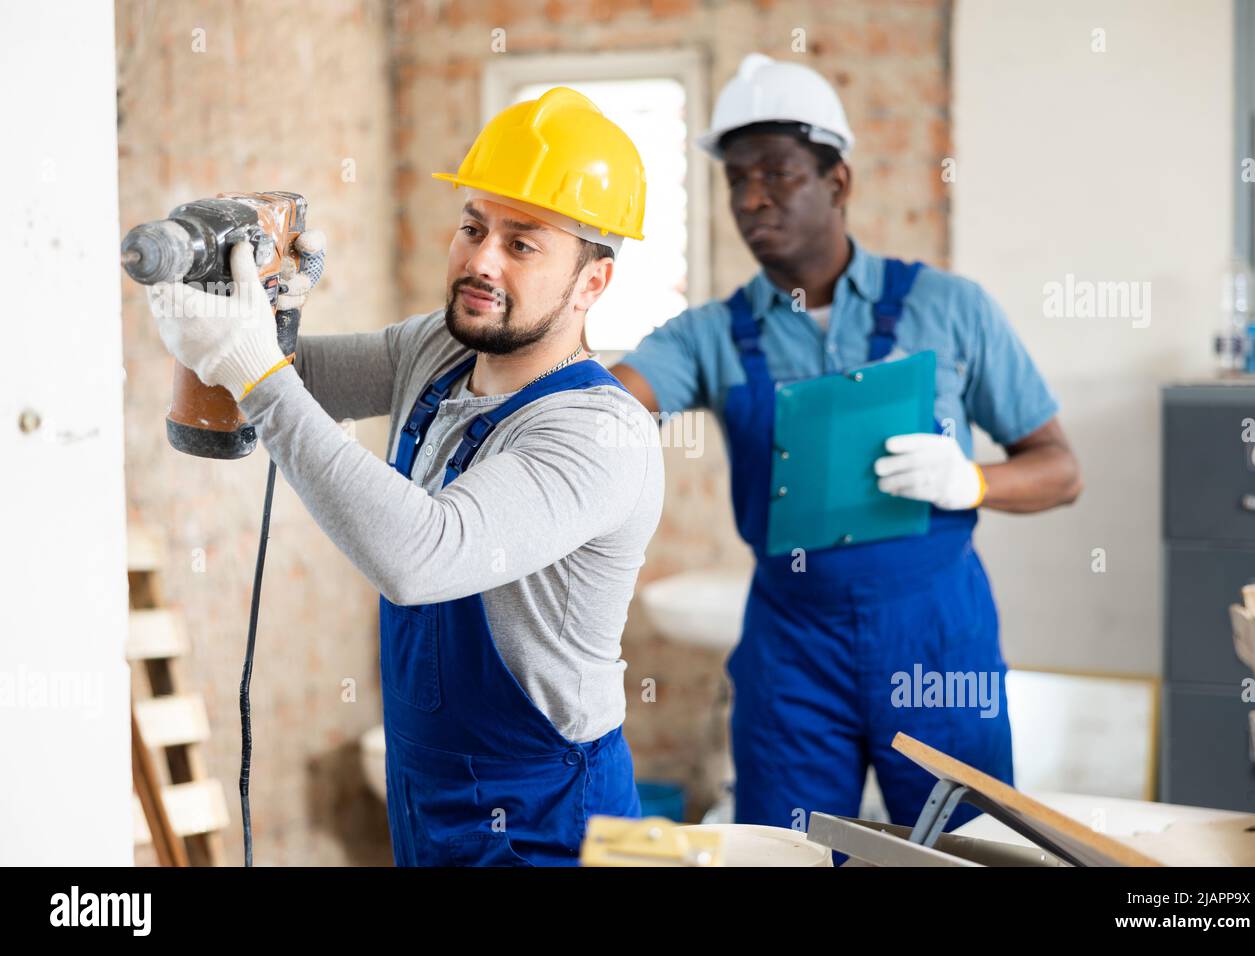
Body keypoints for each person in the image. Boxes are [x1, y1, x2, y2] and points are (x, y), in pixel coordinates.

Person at [149, 87, 664, 866]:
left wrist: (256, 366)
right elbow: (301, 376)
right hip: (426, 788)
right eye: (473, 227)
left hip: (544, 817)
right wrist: (254, 315)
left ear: (592, 283)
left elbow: (422, 556)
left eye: (523, 244)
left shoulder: (600, 434)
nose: (481, 261)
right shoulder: (442, 349)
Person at [612, 54, 1082, 834]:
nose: (752, 197)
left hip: (937, 640)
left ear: (839, 182)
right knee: (784, 852)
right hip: (792, 650)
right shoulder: (709, 336)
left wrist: (973, 482)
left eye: (777, 173)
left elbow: (1060, 469)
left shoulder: (950, 308)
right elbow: (613, 405)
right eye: (735, 179)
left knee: (965, 852)